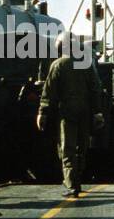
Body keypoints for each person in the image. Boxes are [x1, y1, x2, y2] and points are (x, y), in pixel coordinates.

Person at [38, 35, 104, 198]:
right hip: (85, 111)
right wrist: (98, 112)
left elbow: (48, 93)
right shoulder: (86, 63)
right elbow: (96, 89)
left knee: (67, 148)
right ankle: (78, 180)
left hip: (67, 113)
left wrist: (42, 112)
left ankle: (71, 185)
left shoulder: (58, 65)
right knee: (81, 147)